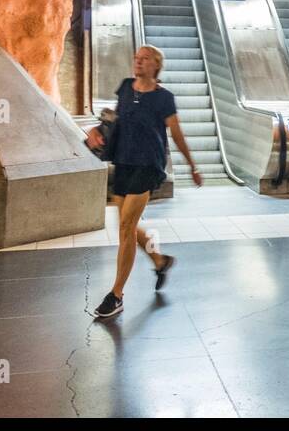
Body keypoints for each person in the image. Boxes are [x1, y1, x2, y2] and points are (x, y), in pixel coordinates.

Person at [85, 45, 204, 318]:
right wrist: (95, 129)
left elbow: (176, 133)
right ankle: (160, 260)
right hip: (123, 161)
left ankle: (116, 295)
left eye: (145, 59)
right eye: (136, 58)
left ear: (156, 64)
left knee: (126, 227)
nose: (138, 62)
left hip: (147, 165)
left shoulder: (164, 98)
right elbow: (116, 120)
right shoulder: (126, 87)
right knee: (129, 226)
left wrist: (192, 166)